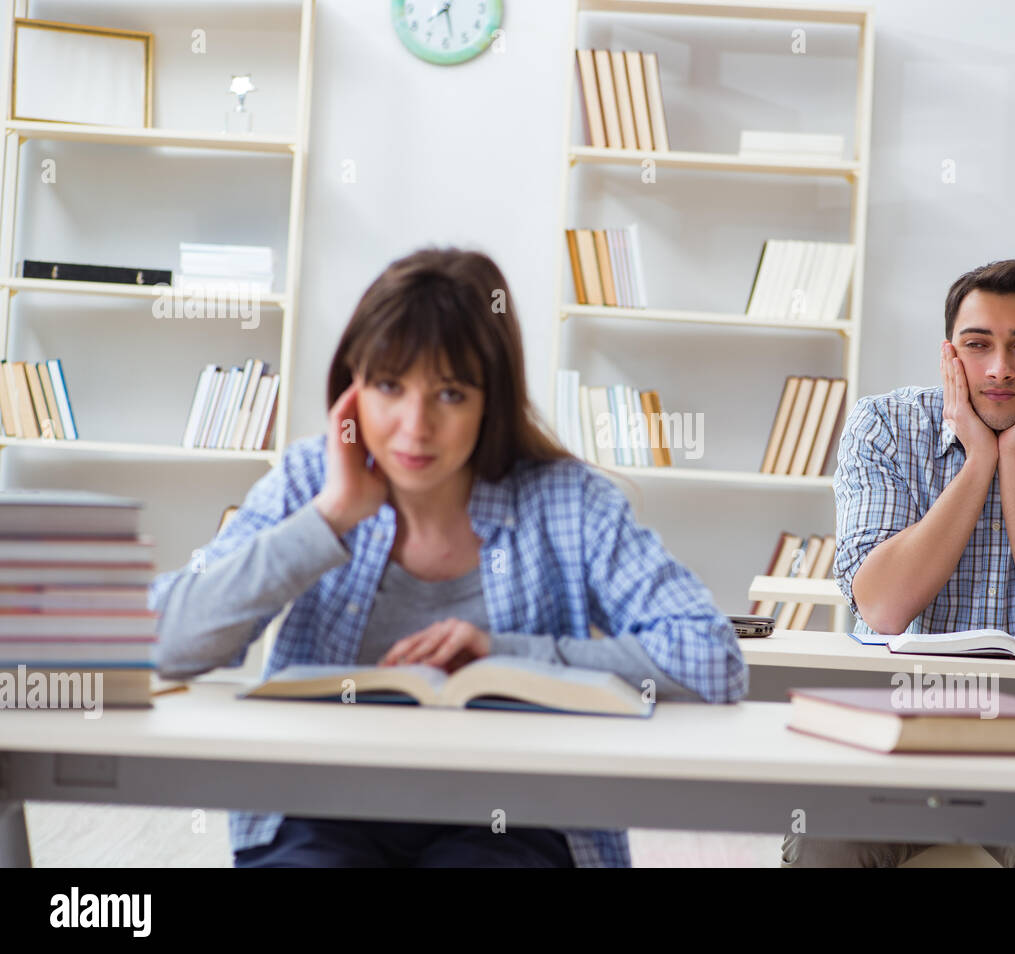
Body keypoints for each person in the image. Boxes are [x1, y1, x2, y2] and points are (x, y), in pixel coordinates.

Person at [149, 246, 748, 867]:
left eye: (451, 394)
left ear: (493, 399)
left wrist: (505, 653)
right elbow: (165, 641)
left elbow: (711, 659)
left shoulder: (570, 502)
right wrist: (328, 518)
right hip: (322, 811)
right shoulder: (308, 482)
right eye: (388, 386)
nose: (414, 426)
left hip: (510, 820)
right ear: (351, 390)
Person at [781, 259, 1015, 868]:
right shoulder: (883, 425)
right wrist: (977, 459)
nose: (1000, 369)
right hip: (892, 735)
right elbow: (883, 606)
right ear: (949, 356)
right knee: (824, 847)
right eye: (977, 345)